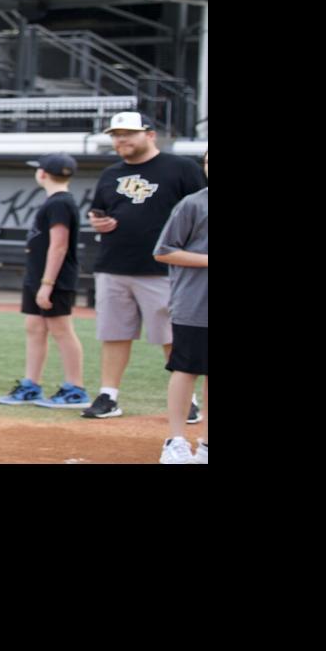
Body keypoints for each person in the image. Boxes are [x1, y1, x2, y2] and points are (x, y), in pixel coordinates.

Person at [79, 111, 208, 421]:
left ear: (150, 134)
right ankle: (109, 395)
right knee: (114, 333)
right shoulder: (110, 173)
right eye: (116, 135)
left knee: (172, 336)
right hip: (114, 263)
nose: (121, 139)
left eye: (128, 133)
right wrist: (98, 222)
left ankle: (188, 400)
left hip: (164, 269)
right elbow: (99, 211)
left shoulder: (181, 168)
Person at [0, 152, 88, 409]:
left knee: (61, 329)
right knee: (34, 327)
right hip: (39, 275)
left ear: (43, 173)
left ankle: (75, 388)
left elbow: (59, 245)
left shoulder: (60, 203)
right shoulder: (56, 201)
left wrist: (47, 285)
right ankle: (31, 385)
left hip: (53, 278)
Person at [153, 150, 208, 465]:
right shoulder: (193, 204)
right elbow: (163, 251)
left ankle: (206, 446)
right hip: (195, 303)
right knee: (185, 369)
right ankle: (175, 441)